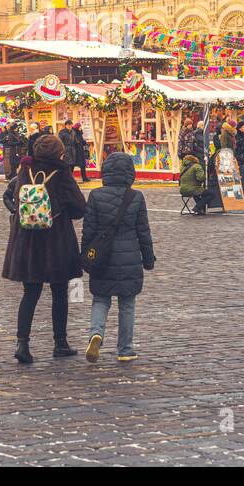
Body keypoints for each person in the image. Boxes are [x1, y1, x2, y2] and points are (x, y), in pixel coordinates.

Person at [2, 133, 86, 363]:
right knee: (60, 292)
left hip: (26, 240)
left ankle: (23, 343)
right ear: (59, 152)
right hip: (55, 239)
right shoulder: (61, 173)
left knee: (30, 293)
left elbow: (16, 201)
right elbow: (79, 207)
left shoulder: (24, 170)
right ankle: (60, 342)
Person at [82, 152, 155, 363]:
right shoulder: (136, 197)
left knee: (100, 300)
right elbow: (144, 232)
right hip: (130, 257)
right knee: (127, 304)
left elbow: (89, 231)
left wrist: (86, 256)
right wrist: (148, 259)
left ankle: (96, 333)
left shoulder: (95, 196)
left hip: (102, 258)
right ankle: (125, 349)